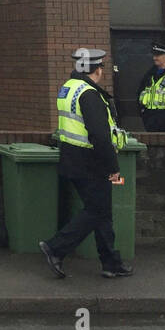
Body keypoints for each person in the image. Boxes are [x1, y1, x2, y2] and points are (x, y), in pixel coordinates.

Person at [39, 48, 133, 279]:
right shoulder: (90, 94)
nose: (102, 70)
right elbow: (100, 136)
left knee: (101, 211)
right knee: (97, 210)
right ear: (96, 69)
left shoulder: (68, 88)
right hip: (92, 163)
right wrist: (113, 167)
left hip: (72, 159)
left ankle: (111, 262)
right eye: (101, 66)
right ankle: (56, 248)